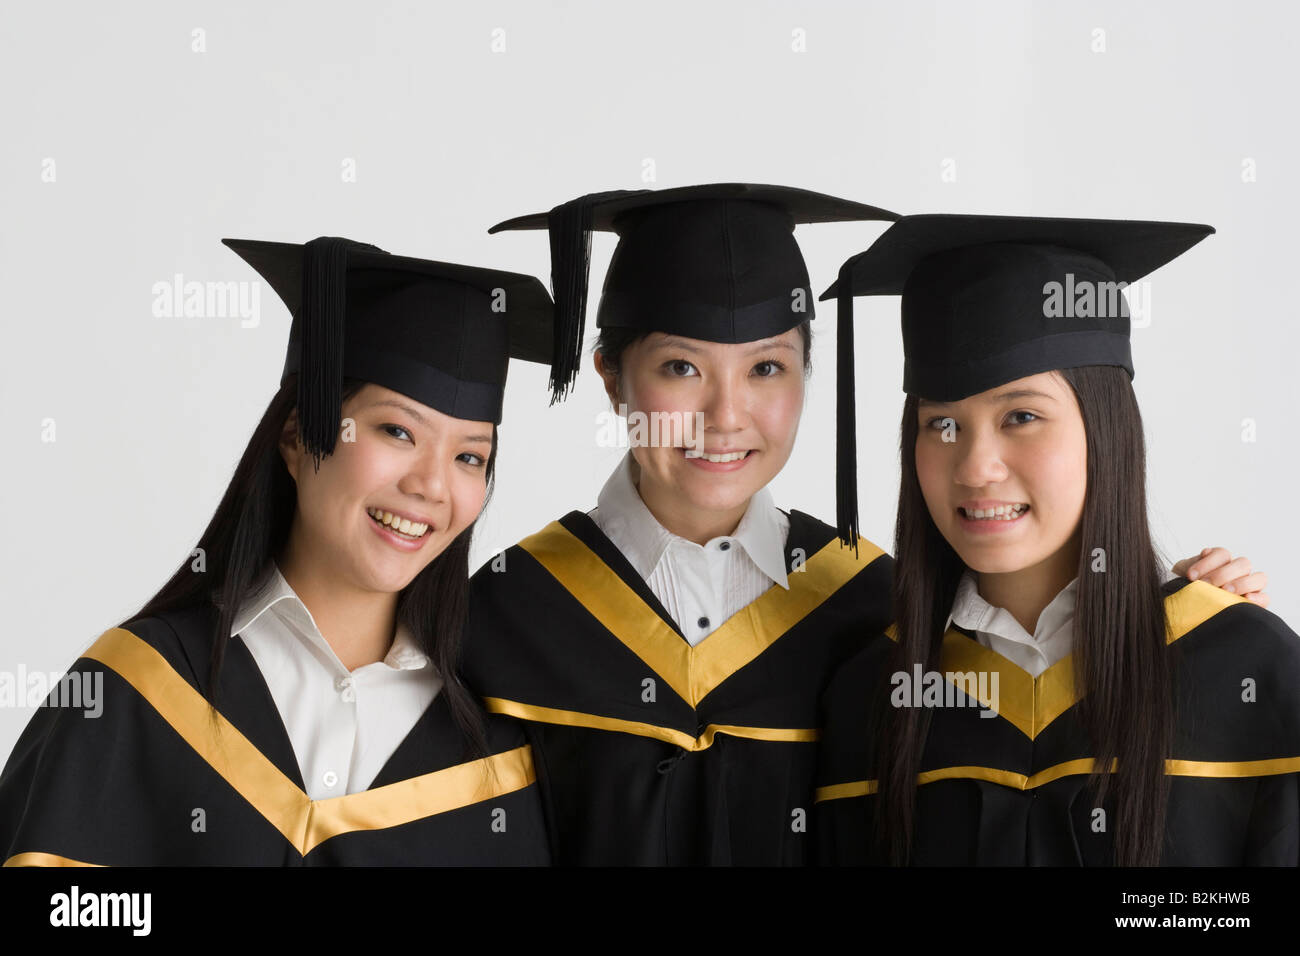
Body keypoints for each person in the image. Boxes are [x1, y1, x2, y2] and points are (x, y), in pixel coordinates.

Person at [464, 185, 1261, 865]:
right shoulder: (501, 618)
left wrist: (1184, 627)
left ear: (807, 373)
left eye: (767, 367)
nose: (726, 415)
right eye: (681, 367)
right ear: (610, 376)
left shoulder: (877, 612)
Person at [0, 236, 556, 865]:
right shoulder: (136, 694)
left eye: (469, 457)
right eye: (396, 431)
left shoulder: (499, 760)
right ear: (296, 438)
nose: (430, 484)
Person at [814, 214, 1296, 866]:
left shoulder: (1245, 672)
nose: (976, 466)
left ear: (1108, 431)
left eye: (1021, 416)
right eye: (942, 424)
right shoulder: (874, 694)